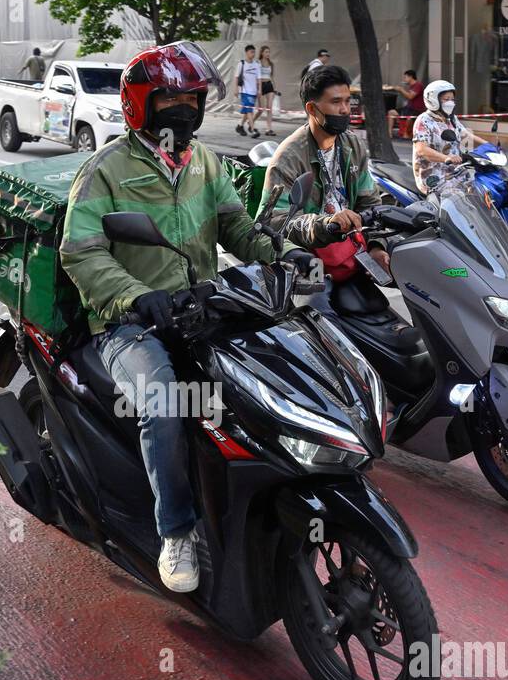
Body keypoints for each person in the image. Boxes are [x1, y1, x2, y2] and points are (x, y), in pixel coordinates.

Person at [59, 42, 279, 593]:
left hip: (201, 308)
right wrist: (136, 296)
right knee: (164, 402)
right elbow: (80, 251)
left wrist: (280, 255)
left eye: (193, 97)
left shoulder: (205, 160)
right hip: (130, 323)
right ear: (141, 104)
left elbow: (235, 227)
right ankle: (176, 531)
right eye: (171, 98)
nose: (184, 107)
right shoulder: (105, 170)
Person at [262, 64, 395, 304]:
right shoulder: (288, 158)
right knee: (323, 330)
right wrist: (325, 224)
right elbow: (276, 221)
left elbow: (371, 202)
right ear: (312, 108)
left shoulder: (352, 146)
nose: (345, 109)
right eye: (336, 102)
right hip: (309, 264)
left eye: (347, 101)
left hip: (353, 254)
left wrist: (376, 245)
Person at [410, 79, 490, 194]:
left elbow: (465, 135)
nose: (450, 103)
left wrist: (488, 145)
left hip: (456, 172)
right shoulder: (423, 121)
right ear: (433, 100)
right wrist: (446, 158)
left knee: (482, 190)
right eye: (446, 99)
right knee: (460, 200)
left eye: (452, 99)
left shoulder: (450, 118)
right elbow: (422, 150)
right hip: (435, 176)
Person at [385, 68, 425, 138]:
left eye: (405, 77)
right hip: (408, 108)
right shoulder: (411, 86)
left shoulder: (418, 85)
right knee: (391, 112)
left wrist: (401, 89)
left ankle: (406, 134)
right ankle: (389, 134)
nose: (404, 79)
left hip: (415, 109)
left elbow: (410, 96)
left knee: (409, 117)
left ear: (411, 77)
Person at [234, 44, 262, 139]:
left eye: (254, 52)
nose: (253, 54)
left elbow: (259, 78)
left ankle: (240, 126)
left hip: (253, 91)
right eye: (251, 52)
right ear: (246, 53)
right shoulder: (241, 64)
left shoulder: (257, 64)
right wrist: (236, 89)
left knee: (247, 111)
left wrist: (259, 90)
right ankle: (253, 129)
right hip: (245, 91)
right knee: (249, 110)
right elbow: (236, 77)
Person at [258, 46, 276, 136]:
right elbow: (257, 77)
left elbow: (272, 76)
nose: (268, 54)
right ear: (262, 53)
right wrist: (258, 88)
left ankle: (269, 129)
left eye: (269, 52)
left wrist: (275, 87)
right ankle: (251, 122)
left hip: (269, 85)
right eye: (266, 52)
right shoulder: (258, 63)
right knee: (261, 108)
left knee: (269, 108)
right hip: (261, 85)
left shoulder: (271, 64)